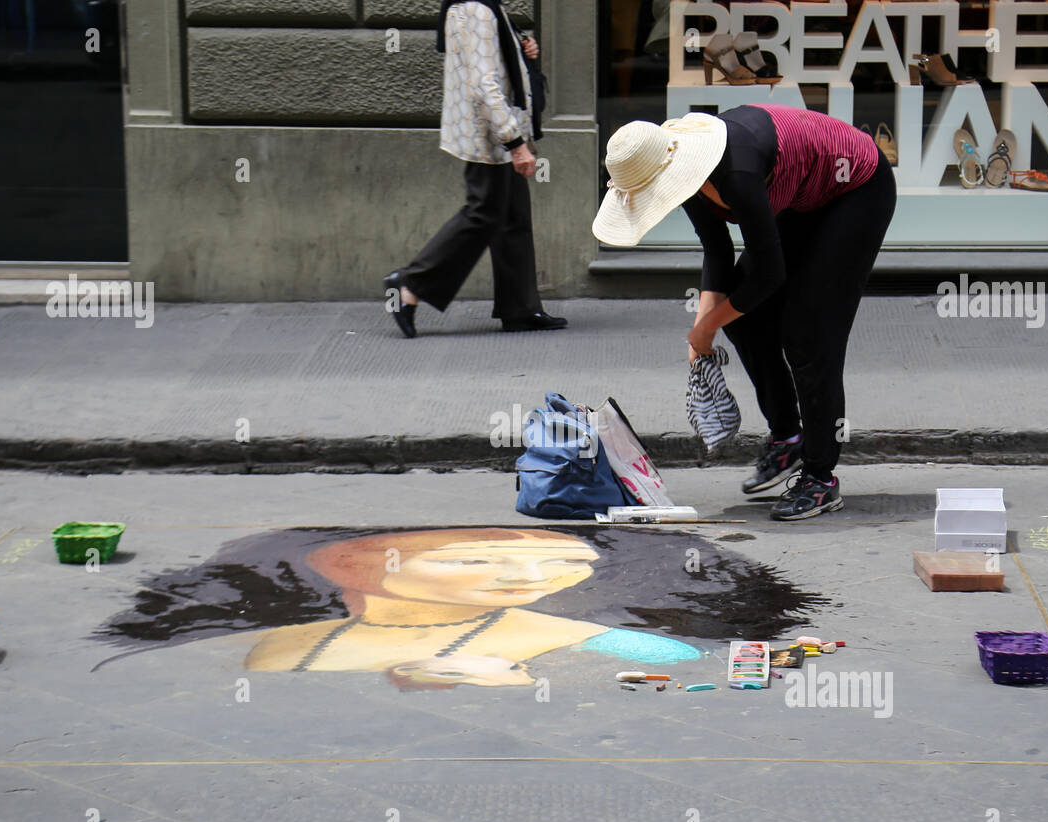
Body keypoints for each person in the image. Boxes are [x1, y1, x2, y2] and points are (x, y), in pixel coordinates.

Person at [592, 104, 896, 520]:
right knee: (745, 317)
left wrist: (704, 331)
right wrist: (703, 329)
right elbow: (717, 251)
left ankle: (821, 477)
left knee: (809, 332)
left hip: (857, 188)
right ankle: (788, 437)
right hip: (804, 194)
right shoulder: (686, 176)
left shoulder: (734, 171)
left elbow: (770, 274)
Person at [244, 528, 700, 685]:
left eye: (566, 562)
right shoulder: (281, 643)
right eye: (476, 559)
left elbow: (689, 666)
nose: (529, 578)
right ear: (357, 565)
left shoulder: (583, 638)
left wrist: (515, 684)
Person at [383, 0, 566, 338]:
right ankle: (409, 284)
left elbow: (493, 64)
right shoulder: (476, 9)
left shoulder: (482, 5)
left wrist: (524, 54)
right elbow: (484, 85)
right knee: (482, 214)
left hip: (496, 131)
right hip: (490, 136)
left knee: (512, 218)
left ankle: (520, 308)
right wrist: (515, 142)